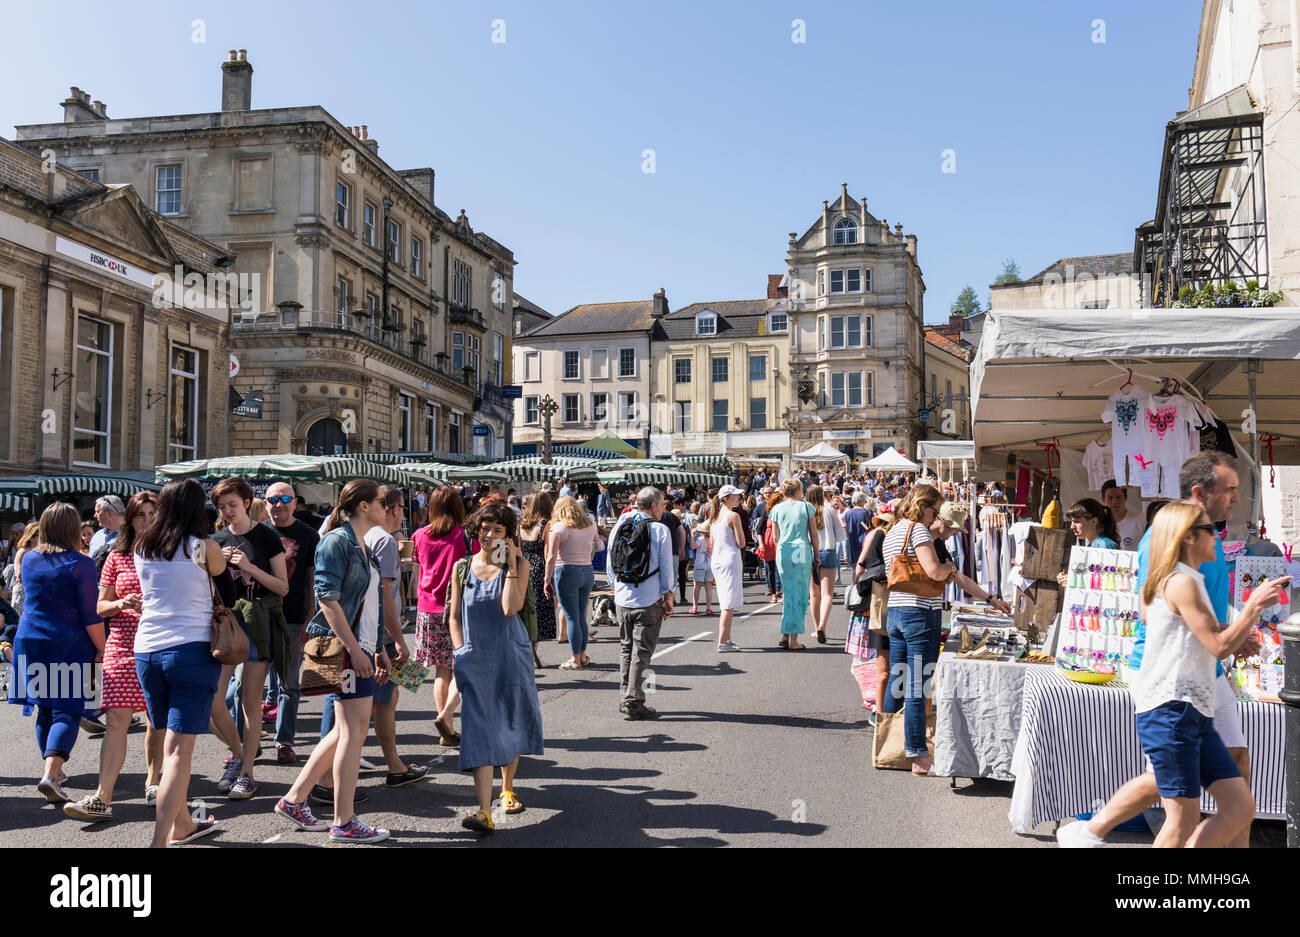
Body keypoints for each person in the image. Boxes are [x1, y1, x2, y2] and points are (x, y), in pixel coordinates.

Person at [1058, 452, 1271, 849]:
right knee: (1178, 799)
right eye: (1229, 489)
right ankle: (1091, 831)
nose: (1235, 498)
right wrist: (1231, 627)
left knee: (1233, 774)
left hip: (1203, 674)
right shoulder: (1167, 537)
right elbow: (1151, 604)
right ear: (1200, 492)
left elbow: (1206, 610)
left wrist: (1228, 629)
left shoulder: (1203, 534)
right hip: (1169, 679)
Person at [1128, 501, 1269, 846]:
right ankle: (1091, 831)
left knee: (1237, 806)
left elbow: (1204, 632)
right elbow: (1215, 644)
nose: (1216, 536)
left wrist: (1233, 634)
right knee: (1181, 819)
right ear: (1187, 537)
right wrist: (1252, 607)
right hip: (1173, 705)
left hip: (1195, 703)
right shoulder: (1180, 582)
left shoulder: (1189, 579)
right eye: (1209, 530)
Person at [274, 479, 393, 843]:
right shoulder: (336, 541)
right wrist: (356, 649)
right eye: (381, 503)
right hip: (344, 648)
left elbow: (368, 604)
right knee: (353, 733)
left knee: (346, 731)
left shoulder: (362, 544)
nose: (386, 509)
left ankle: (295, 799)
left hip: (361, 645)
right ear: (362, 506)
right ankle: (344, 820)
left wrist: (380, 645)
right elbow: (327, 598)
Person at [134, 478, 235, 846]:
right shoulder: (203, 547)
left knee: (166, 745)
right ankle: (160, 840)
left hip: (147, 652)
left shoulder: (141, 546)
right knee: (178, 752)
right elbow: (230, 596)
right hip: (191, 651)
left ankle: (183, 825)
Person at [63, 492, 163, 822]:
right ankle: (102, 797)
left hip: (160, 643)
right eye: (140, 515)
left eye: (152, 513)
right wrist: (121, 603)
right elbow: (100, 606)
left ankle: (154, 781)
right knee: (117, 720)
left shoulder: (170, 554)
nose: (146, 520)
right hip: (121, 644)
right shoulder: (116, 557)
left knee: (156, 720)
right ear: (129, 519)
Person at [448, 501, 544, 835]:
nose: (489, 536)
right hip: (475, 657)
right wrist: (460, 650)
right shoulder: (462, 566)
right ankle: (483, 810)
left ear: (509, 535)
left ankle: (507, 788)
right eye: (485, 528)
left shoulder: (518, 564)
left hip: (510, 655)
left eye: (498, 531)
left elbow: (509, 608)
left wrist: (513, 562)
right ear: (477, 528)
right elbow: (454, 616)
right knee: (477, 729)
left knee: (509, 721)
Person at [7, 503, 105, 806]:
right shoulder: (81, 563)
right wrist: (103, 648)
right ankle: (51, 774)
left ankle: (53, 772)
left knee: (45, 709)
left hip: (31, 640)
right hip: (67, 643)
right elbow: (91, 614)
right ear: (73, 529)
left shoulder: (30, 558)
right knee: (68, 710)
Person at [209, 476, 289, 800]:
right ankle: (239, 753)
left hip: (258, 626)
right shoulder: (215, 540)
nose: (228, 511)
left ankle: (246, 773)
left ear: (246, 501)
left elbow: (283, 587)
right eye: (221, 506)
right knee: (213, 701)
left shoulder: (267, 537)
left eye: (232, 504)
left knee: (249, 702)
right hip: (226, 628)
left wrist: (248, 567)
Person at [881, 484, 957, 775]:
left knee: (898, 681)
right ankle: (917, 755)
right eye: (934, 510)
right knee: (917, 686)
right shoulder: (918, 530)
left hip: (897, 612)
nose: (935, 517)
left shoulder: (893, 531)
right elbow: (934, 572)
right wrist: (948, 568)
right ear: (923, 505)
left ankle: (887, 743)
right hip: (921, 613)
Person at [364, 486, 426, 788]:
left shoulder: (365, 536)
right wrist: (399, 639)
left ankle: (391, 761)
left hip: (368, 631)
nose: (403, 511)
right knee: (382, 702)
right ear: (392, 509)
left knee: (386, 696)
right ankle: (394, 764)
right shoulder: (385, 541)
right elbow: (385, 597)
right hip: (382, 633)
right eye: (402, 506)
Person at [261, 481, 320, 764]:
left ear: (295, 502)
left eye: (285, 498)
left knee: (289, 686)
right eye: (273, 499)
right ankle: (244, 740)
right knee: (236, 691)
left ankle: (284, 741)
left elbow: (313, 582)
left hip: (294, 619)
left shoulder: (308, 535)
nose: (279, 504)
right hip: (257, 621)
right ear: (265, 504)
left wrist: (311, 619)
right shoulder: (256, 533)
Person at [606, 487, 675, 720]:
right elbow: (667, 567)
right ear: (654, 505)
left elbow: (609, 559)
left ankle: (625, 696)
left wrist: (615, 586)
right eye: (663, 504)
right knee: (643, 651)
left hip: (622, 597)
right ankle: (634, 702)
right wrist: (668, 596)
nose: (664, 508)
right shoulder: (660, 530)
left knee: (626, 649)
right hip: (648, 599)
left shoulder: (621, 523)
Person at [413, 485, 468, 745]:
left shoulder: (419, 535)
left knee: (440, 670)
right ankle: (447, 717)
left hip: (426, 607)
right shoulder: (464, 535)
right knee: (462, 665)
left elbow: (416, 568)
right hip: (457, 609)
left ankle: (444, 721)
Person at [546, 495, 602, 671]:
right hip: (587, 570)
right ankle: (582, 655)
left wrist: (547, 579)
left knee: (571, 617)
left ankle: (575, 659)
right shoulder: (589, 524)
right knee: (581, 617)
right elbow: (597, 541)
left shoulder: (559, 528)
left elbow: (551, 557)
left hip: (566, 570)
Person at [769, 479, 818, 650]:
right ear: (798, 490)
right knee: (800, 594)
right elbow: (813, 534)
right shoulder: (806, 507)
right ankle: (793, 639)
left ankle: (785, 633)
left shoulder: (776, 509)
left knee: (788, 593)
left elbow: (775, 537)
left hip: (784, 551)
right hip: (801, 550)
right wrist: (817, 555)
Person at [518, 490, 557, 663]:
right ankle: (532, 652)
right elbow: (549, 554)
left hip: (523, 566)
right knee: (539, 613)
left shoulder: (522, 523)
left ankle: (526, 651)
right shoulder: (546, 524)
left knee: (525, 612)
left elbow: (519, 550)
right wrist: (549, 578)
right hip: (539, 568)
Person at [807, 484, 845, 644]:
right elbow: (840, 534)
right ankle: (823, 624)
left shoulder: (806, 511)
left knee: (814, 594)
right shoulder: (829, 510)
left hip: (809, 551)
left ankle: (817, 628)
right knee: (827, 593)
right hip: (828, 550)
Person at [710, 485, 746, 652]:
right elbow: (741, 543)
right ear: (726, 498)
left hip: (718, 559)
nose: (738, 497)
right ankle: (723, 642)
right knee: (728, 603)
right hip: (729, 559)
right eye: (735, 495)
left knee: (727, 601)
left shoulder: (715, 516)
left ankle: (727, 639)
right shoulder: (733, 515)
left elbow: (712, 542)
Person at [1102, 479, 1145, 551]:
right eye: (1110, 498)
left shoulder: (1141, 520)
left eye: (1118, 497)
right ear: (1103, 499)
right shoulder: (1098, 523)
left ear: (1125, 498)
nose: (1114, 502)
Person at [843, 492, 873, 577]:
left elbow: (846, 528)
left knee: (856, 567)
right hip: (865, 541)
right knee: (865, 566)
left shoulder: (848, 513)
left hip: (852, 540)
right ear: (862, 500)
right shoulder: (867, 512)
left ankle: (854, 586)